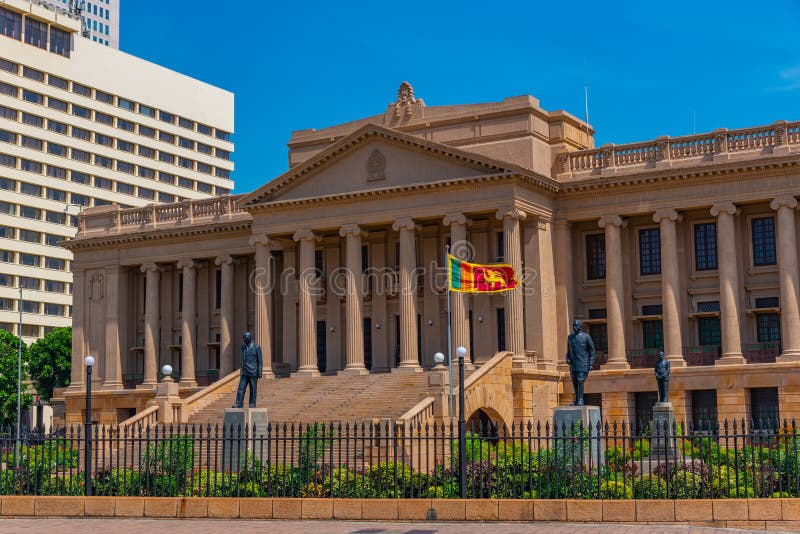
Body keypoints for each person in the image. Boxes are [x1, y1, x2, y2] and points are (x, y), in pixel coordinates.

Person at [566, 319, 595, 406]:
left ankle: (581, 399)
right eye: (573, 325)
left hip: (583, 363)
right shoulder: (570, 337)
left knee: (580, 380)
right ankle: (577, 399)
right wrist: (567, 358)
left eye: (576, 325)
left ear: (580, 326)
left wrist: (590, 363)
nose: (574, 327)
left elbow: (592, 350)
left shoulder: (586, 337)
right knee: (574, 381)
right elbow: (568, 351)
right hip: (573, 365)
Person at [232, 332, 262, 408]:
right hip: (244, 371)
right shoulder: (243, 347)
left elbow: (260, 361)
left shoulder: (256, 347)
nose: (244, 339)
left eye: (245, 337)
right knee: (241, 388)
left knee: (253, 389)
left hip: (253, 371)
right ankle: (239, 403)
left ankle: (252, 403)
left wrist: (259, 372)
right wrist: (241, 369)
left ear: (249, 337)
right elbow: (242, 359)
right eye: (243, 338)